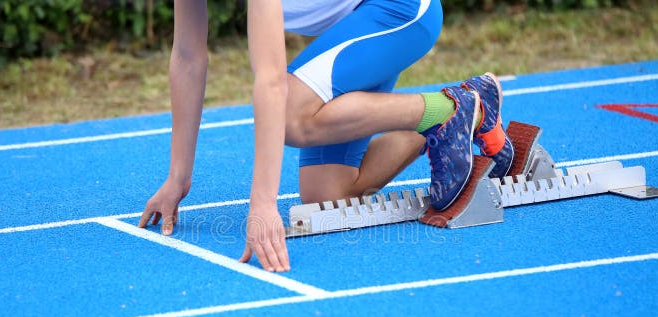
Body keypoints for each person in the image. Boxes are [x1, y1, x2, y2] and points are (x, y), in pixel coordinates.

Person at [138, 0, 514, 272]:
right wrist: (177, 177)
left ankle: (453, 109)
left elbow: (271, 81)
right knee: (328, 195)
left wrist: (264, 204)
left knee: (289, 115)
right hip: (358, 22)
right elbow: (188, 56)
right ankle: (456, 113)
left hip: (399, 11)